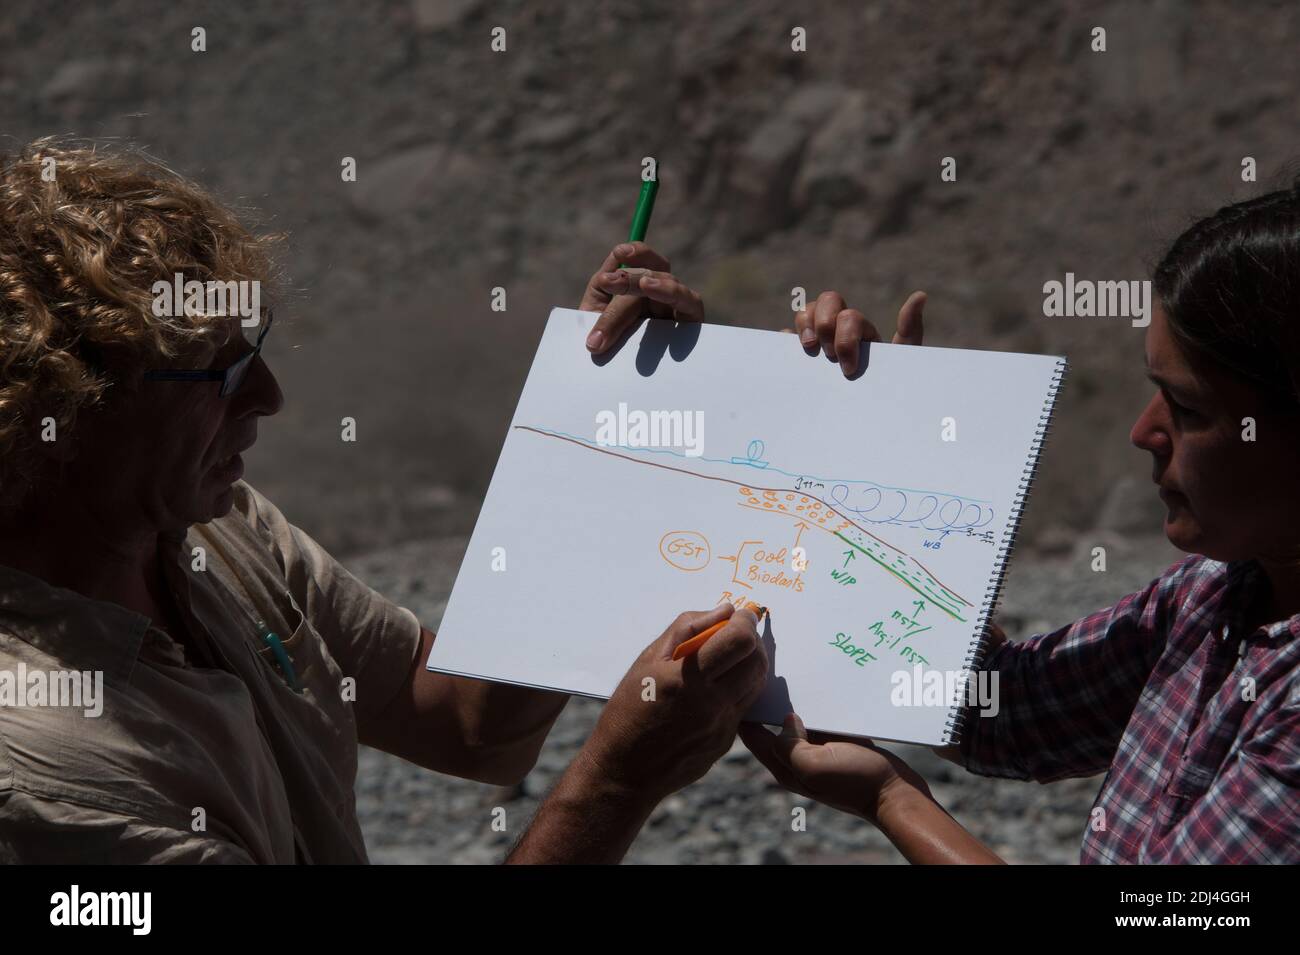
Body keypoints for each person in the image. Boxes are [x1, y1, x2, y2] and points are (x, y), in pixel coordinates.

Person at [0, 137, 768, 863]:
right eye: (217, 372)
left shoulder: (224, 533)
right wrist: (615, 784)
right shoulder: (45, 772)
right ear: (64, 408)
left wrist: (597, 427)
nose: (268, 396)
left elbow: (468, 721)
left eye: (253, 352)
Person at [742, 183, 1300, 864]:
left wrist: (892, 798)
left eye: (1186, 408)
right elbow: (1002, 713)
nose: (1143, 431)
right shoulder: (1210, 596)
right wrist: (879, 472)